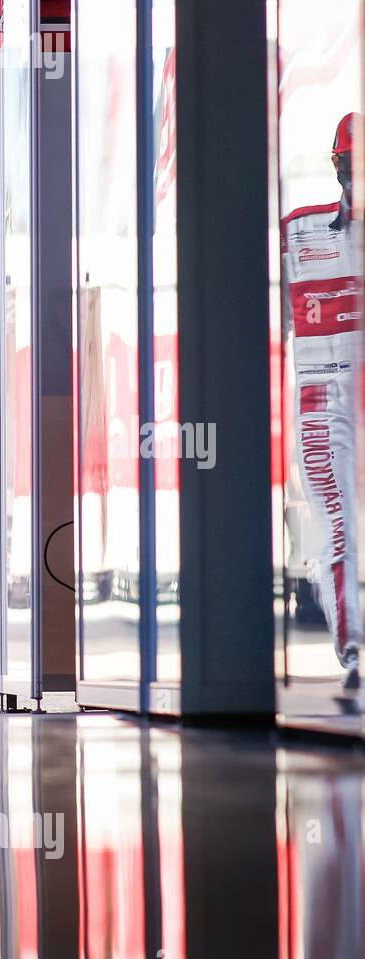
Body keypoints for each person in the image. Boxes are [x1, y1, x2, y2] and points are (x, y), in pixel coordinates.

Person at [283, 112, 364, 695]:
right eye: (352, 165)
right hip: (322, 396)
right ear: (337, 166)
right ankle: (354, 642)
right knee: (337, 521)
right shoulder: (297, 234)